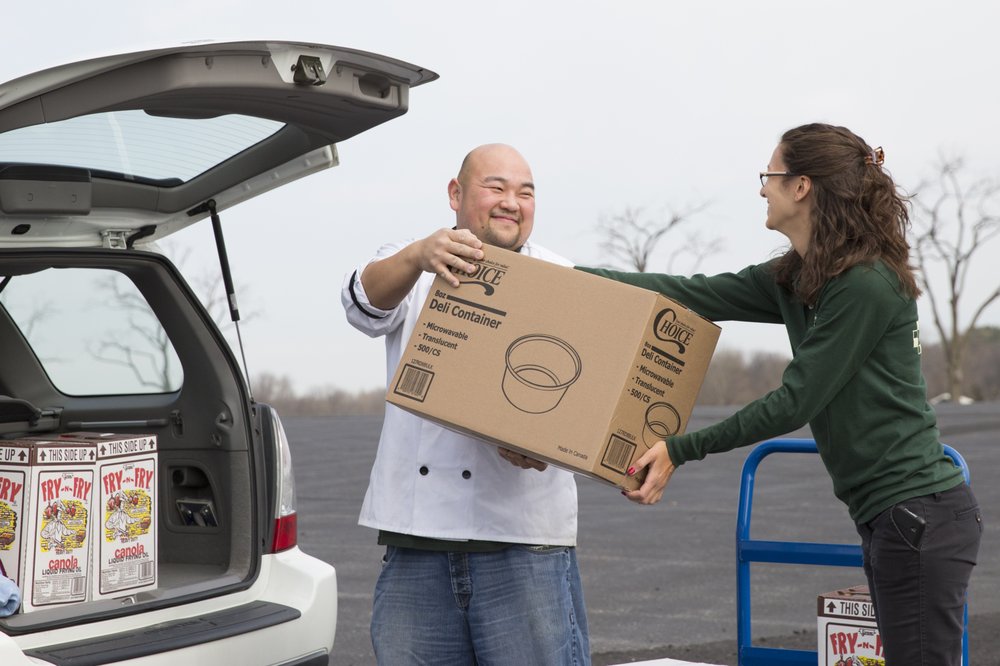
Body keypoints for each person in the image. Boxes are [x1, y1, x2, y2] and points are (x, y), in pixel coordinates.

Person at [578, 123, 982, 665]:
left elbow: (795, 401)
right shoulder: (800, 276)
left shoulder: (865, 284)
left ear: (802, 187)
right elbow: (690, 294)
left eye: (769, 175)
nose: (762, 188)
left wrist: (682, 447)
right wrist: (557, 276)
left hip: (919, 515)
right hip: (892, 517)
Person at [341, 143, 590, 665]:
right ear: (456, 194)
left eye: (525, 192)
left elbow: (586, 404)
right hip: (418, 543)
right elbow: (362, 307)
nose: (511, 202)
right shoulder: (412, 261)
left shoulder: (563, 278)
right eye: (495, 187)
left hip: (524, 544)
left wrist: (550, 448)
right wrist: (417, 256)